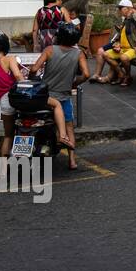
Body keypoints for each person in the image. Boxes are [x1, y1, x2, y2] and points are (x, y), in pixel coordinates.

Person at [0, 31, 74, 158]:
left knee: (8, 136)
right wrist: (28, 85)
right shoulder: (10, 59)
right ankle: (63, 136)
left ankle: (3, 171)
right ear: (4, 45)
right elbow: (18, 76)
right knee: (56, 104)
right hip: (18, 97)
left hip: (4, 103)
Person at [28, 22, 87, 170]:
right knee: (69, 128)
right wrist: (74, 84)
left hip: (46, 96)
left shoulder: (49, 50)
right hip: (64, 97)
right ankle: (72, 161)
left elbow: (35, 68)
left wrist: (31, 77)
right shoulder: (79, 54)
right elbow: (86, 74)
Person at [91, 0, 136, 87]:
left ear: (128, 8)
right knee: (105, 54)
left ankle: (128, 76)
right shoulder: (126, 19)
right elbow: (121, 35)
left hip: (133, 48)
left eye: (121, 8)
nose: (119, 10)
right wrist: (117, 44)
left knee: (123, 58)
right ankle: (121, 74)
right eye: (119, 8)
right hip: (123, 48)